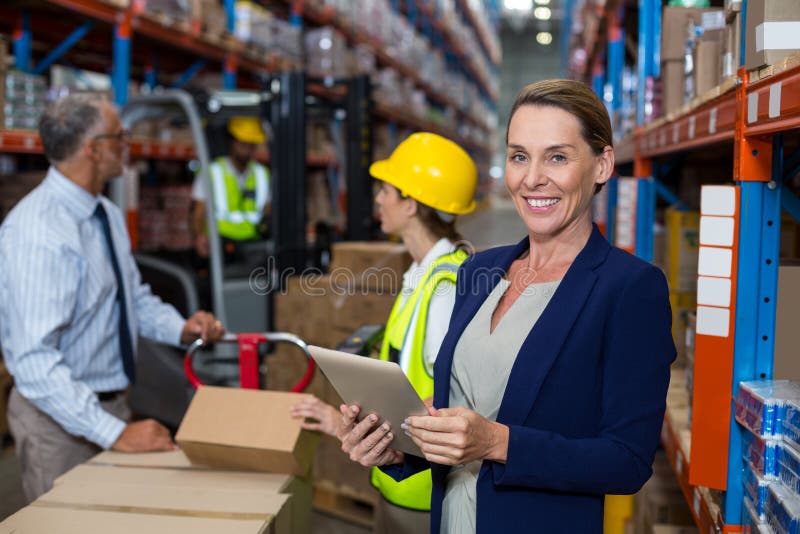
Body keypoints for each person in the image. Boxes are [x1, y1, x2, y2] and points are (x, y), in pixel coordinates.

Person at [335, 80, 676, 533]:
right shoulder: (479, 272)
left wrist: (498, 444)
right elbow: (456, 417)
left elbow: (627, 461)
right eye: (519, 156)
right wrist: (398, 447)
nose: (532, 177)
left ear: (602, 165)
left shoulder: (629, 289)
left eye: (557, 156)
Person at [0, 94, 227, 502]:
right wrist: (116, 433)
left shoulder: (105, 213)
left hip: (110, 405)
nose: (129, 144)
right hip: (59, 423)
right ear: (94, 149)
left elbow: (130, 299)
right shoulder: (39, 233)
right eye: (121, 137)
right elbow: (34, 361)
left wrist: (181, 327)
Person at [290, 132, 478, 534]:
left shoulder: (445, 288)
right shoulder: (421, 273)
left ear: (410, 203)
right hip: (401, 478)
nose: (377, 199)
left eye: (386, 190)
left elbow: (453, 402)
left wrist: (344, 424)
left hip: (424, 494)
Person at [190, 117, 271, 258]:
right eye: (243, 143)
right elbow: (197, 213)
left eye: (251, 144)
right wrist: (199, 237)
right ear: (232, 141)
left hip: (253, 245)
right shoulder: (212, 172)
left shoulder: (262, 174)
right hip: (219, 246)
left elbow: (268, 211)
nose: (248, 148)